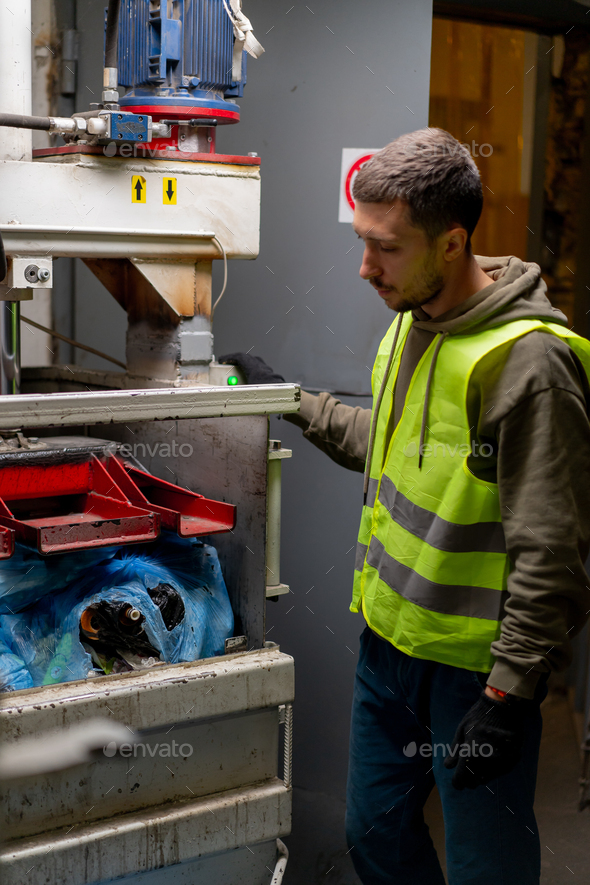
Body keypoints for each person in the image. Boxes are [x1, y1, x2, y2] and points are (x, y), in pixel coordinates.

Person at [221, 127, 590, 885]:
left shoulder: (527, 361)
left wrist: (511, 689)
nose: (365, 268)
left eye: (385, 247)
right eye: (363, 241)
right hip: (387, 646)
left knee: (487, 865)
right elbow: (387, 444)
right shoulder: (410, 324)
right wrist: (291, 397)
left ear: (452, 243)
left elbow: (549, 547)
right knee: (376, 837)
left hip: (471, 671)